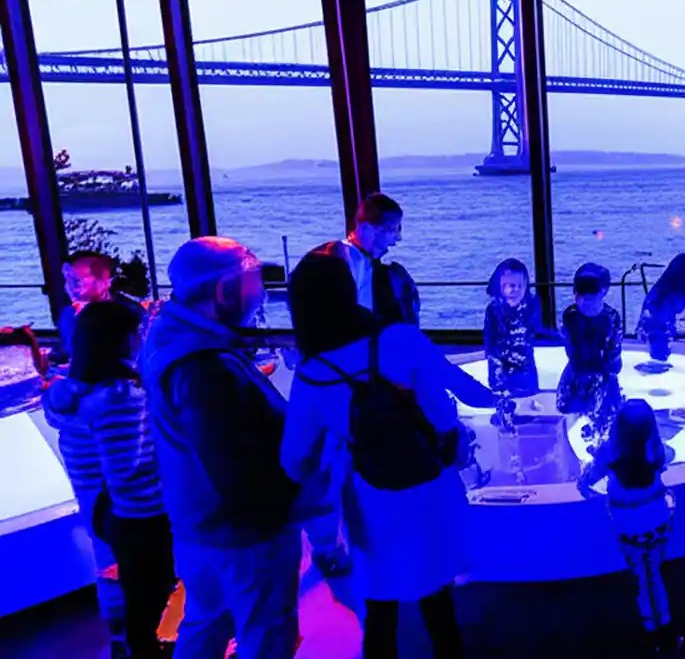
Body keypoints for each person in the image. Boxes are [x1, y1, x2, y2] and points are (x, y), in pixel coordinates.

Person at [282, 251, 495, 659]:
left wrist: (338, 446)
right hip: (428, 489)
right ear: (349, 291)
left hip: (371, 498)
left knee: (379, 611)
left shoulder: (312, 374)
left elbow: (293, 458)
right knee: (439, 606)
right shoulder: (400, 340)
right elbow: (445, 416)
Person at [139, 236, 302, 659]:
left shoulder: (170, 337)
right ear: (224, 291)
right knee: (266, 635)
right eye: (254, 282)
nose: (262, 293)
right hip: (244, 534)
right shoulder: (204, 365)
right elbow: (233, 464)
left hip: (199, 523)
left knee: (205, 625)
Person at [43, 301, 175, 659]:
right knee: (155, 587)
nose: (142, 337)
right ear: (120, 340)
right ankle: (144, 648)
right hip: (139, 510)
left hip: (100, 504)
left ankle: (127, 643)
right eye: (138, 331)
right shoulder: (121, 397)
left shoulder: (69, 393)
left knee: (129, 584)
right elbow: (128, 469)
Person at [577, 399, 682, 656]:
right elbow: (666, 461)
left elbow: (585, 483)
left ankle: (654, 636)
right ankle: (665, 638)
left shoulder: (609, 453)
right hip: (658, 524)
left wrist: (598, 497)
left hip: (628, 528)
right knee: (653, 575)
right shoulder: (656, 449)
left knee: (644, 579)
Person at [313, 193, 419, 327]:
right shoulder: (348, 262)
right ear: (366, 229)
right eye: (393, 229)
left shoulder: (369, 266)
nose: (398, 238)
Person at [557, 263, 624, 452]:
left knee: (607, 416)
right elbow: (571, 349)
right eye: (581, 298)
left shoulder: (611, 317)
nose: (585, 302)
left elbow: (613, 353)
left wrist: (605, 377)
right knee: (565, 404)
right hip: (579, 367)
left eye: (591, 298)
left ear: (602, 293)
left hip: (603, 369)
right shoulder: (570, 316)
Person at [483, 258, 556, 428]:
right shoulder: (493, 309)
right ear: (499, 287)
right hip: (500, 367)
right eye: (508, 285)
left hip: (525, 365)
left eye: (518, 285)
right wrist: (492, 360)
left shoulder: (531, 305)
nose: (513, 289)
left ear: (525, 286)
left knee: (526, 404)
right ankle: (505, 424)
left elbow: (536, 329)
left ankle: (525, 425)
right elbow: (489, 337)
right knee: (503, 403)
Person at [56, 250, 144, 364]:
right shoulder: (68, 315)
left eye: (77, 281)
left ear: (104, 281)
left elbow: (138, 359)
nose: (69, 287)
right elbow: (67, 352)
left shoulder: (131, 314)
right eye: (67, 279)